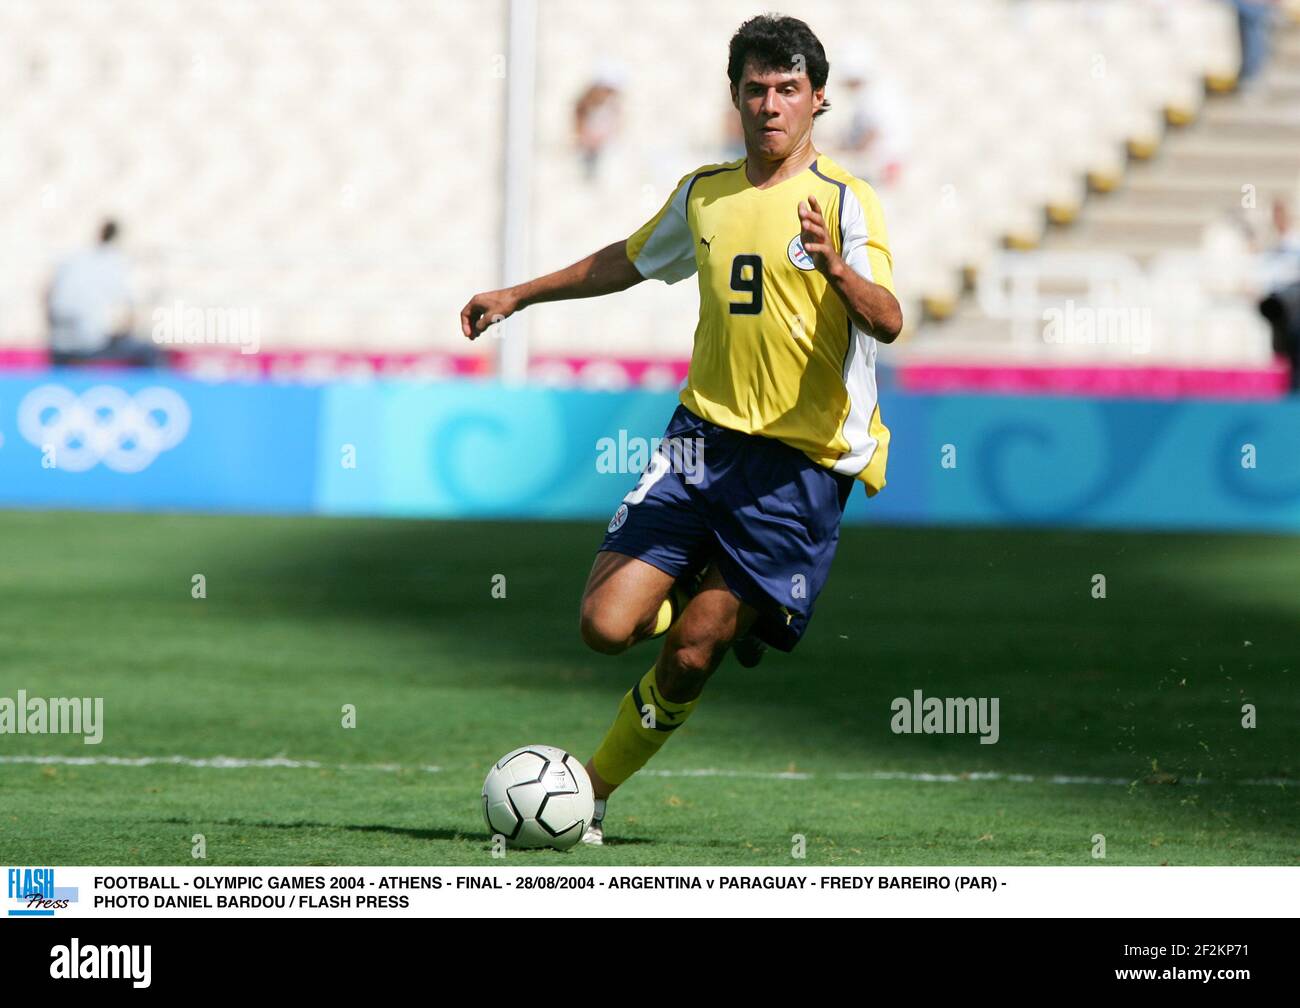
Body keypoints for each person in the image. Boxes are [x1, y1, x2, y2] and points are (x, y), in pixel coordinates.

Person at [459, 14, 901, 844]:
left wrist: (837, 268)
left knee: (694, 649)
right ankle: (710, 585)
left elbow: (890, 319)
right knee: (604, 628)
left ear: (818, 102)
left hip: (797, 470)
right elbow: (628, 259)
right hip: (700, 442)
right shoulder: (706, 193)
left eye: (788, 90)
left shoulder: (846, 203)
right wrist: (519, 294)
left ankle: (588, 791)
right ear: (734, 97)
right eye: (756, 89)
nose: (771, 104)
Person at [46, 219, 161, 367]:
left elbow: (48, 293)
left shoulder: (72, 259)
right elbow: (129, 309)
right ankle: (146, 387)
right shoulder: (115, 262)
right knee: (148, 351)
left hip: (59, 343)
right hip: (90, 341)